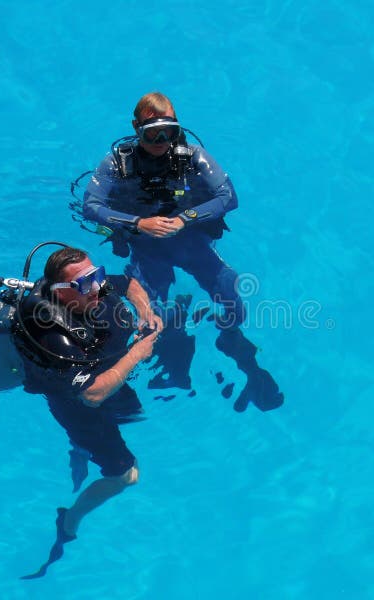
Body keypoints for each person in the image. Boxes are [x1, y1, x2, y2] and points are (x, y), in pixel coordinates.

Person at [82, 92, 283, 412]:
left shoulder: (192, 155)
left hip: (188, 241)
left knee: (231, 295)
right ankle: (163, 372)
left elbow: (228, 197)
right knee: (152, 320)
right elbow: (91, 206)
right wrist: (139, 223)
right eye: (152, 133)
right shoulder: (117, 164)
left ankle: (234, 343)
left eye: (169, 131)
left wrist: (186, 218)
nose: (162, 140)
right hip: (147, 250)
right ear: (136, 128)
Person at [9, 246, 161, 578]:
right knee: (126, 475)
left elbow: (131, 283)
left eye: (96, 276)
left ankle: (81, 448)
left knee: (132, 415)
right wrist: (136, 354)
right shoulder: (52, 335)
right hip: (77, 404)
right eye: (84, 283)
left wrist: (145, 313)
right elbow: (91, 395)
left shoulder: (89, 284)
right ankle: (70, 519)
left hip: (108, 371)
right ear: (61, 292)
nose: (96, 287)